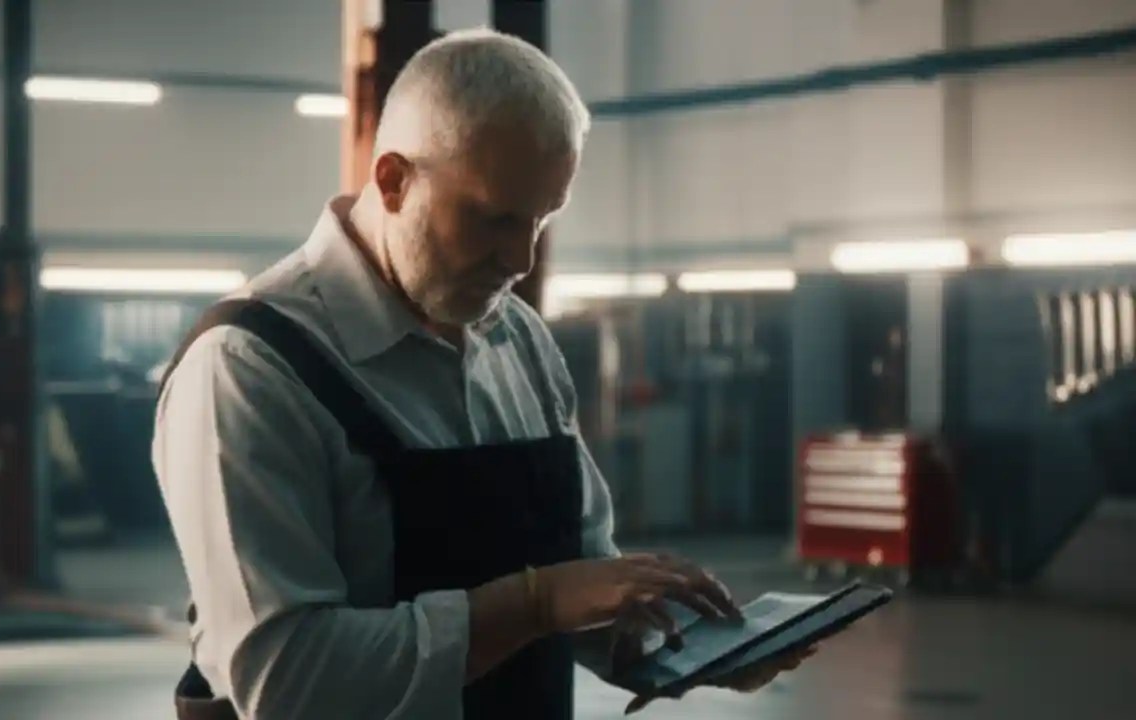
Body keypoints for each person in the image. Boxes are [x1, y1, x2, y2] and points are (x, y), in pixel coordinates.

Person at [153, 29, 808, 720]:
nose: (522, 259)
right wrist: (533, 604)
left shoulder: (517, 340)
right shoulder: (250, 367)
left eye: (542, 219)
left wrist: (681, 646)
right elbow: (287, 680)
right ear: (394, 181)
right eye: (495, 219)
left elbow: (582, 580)